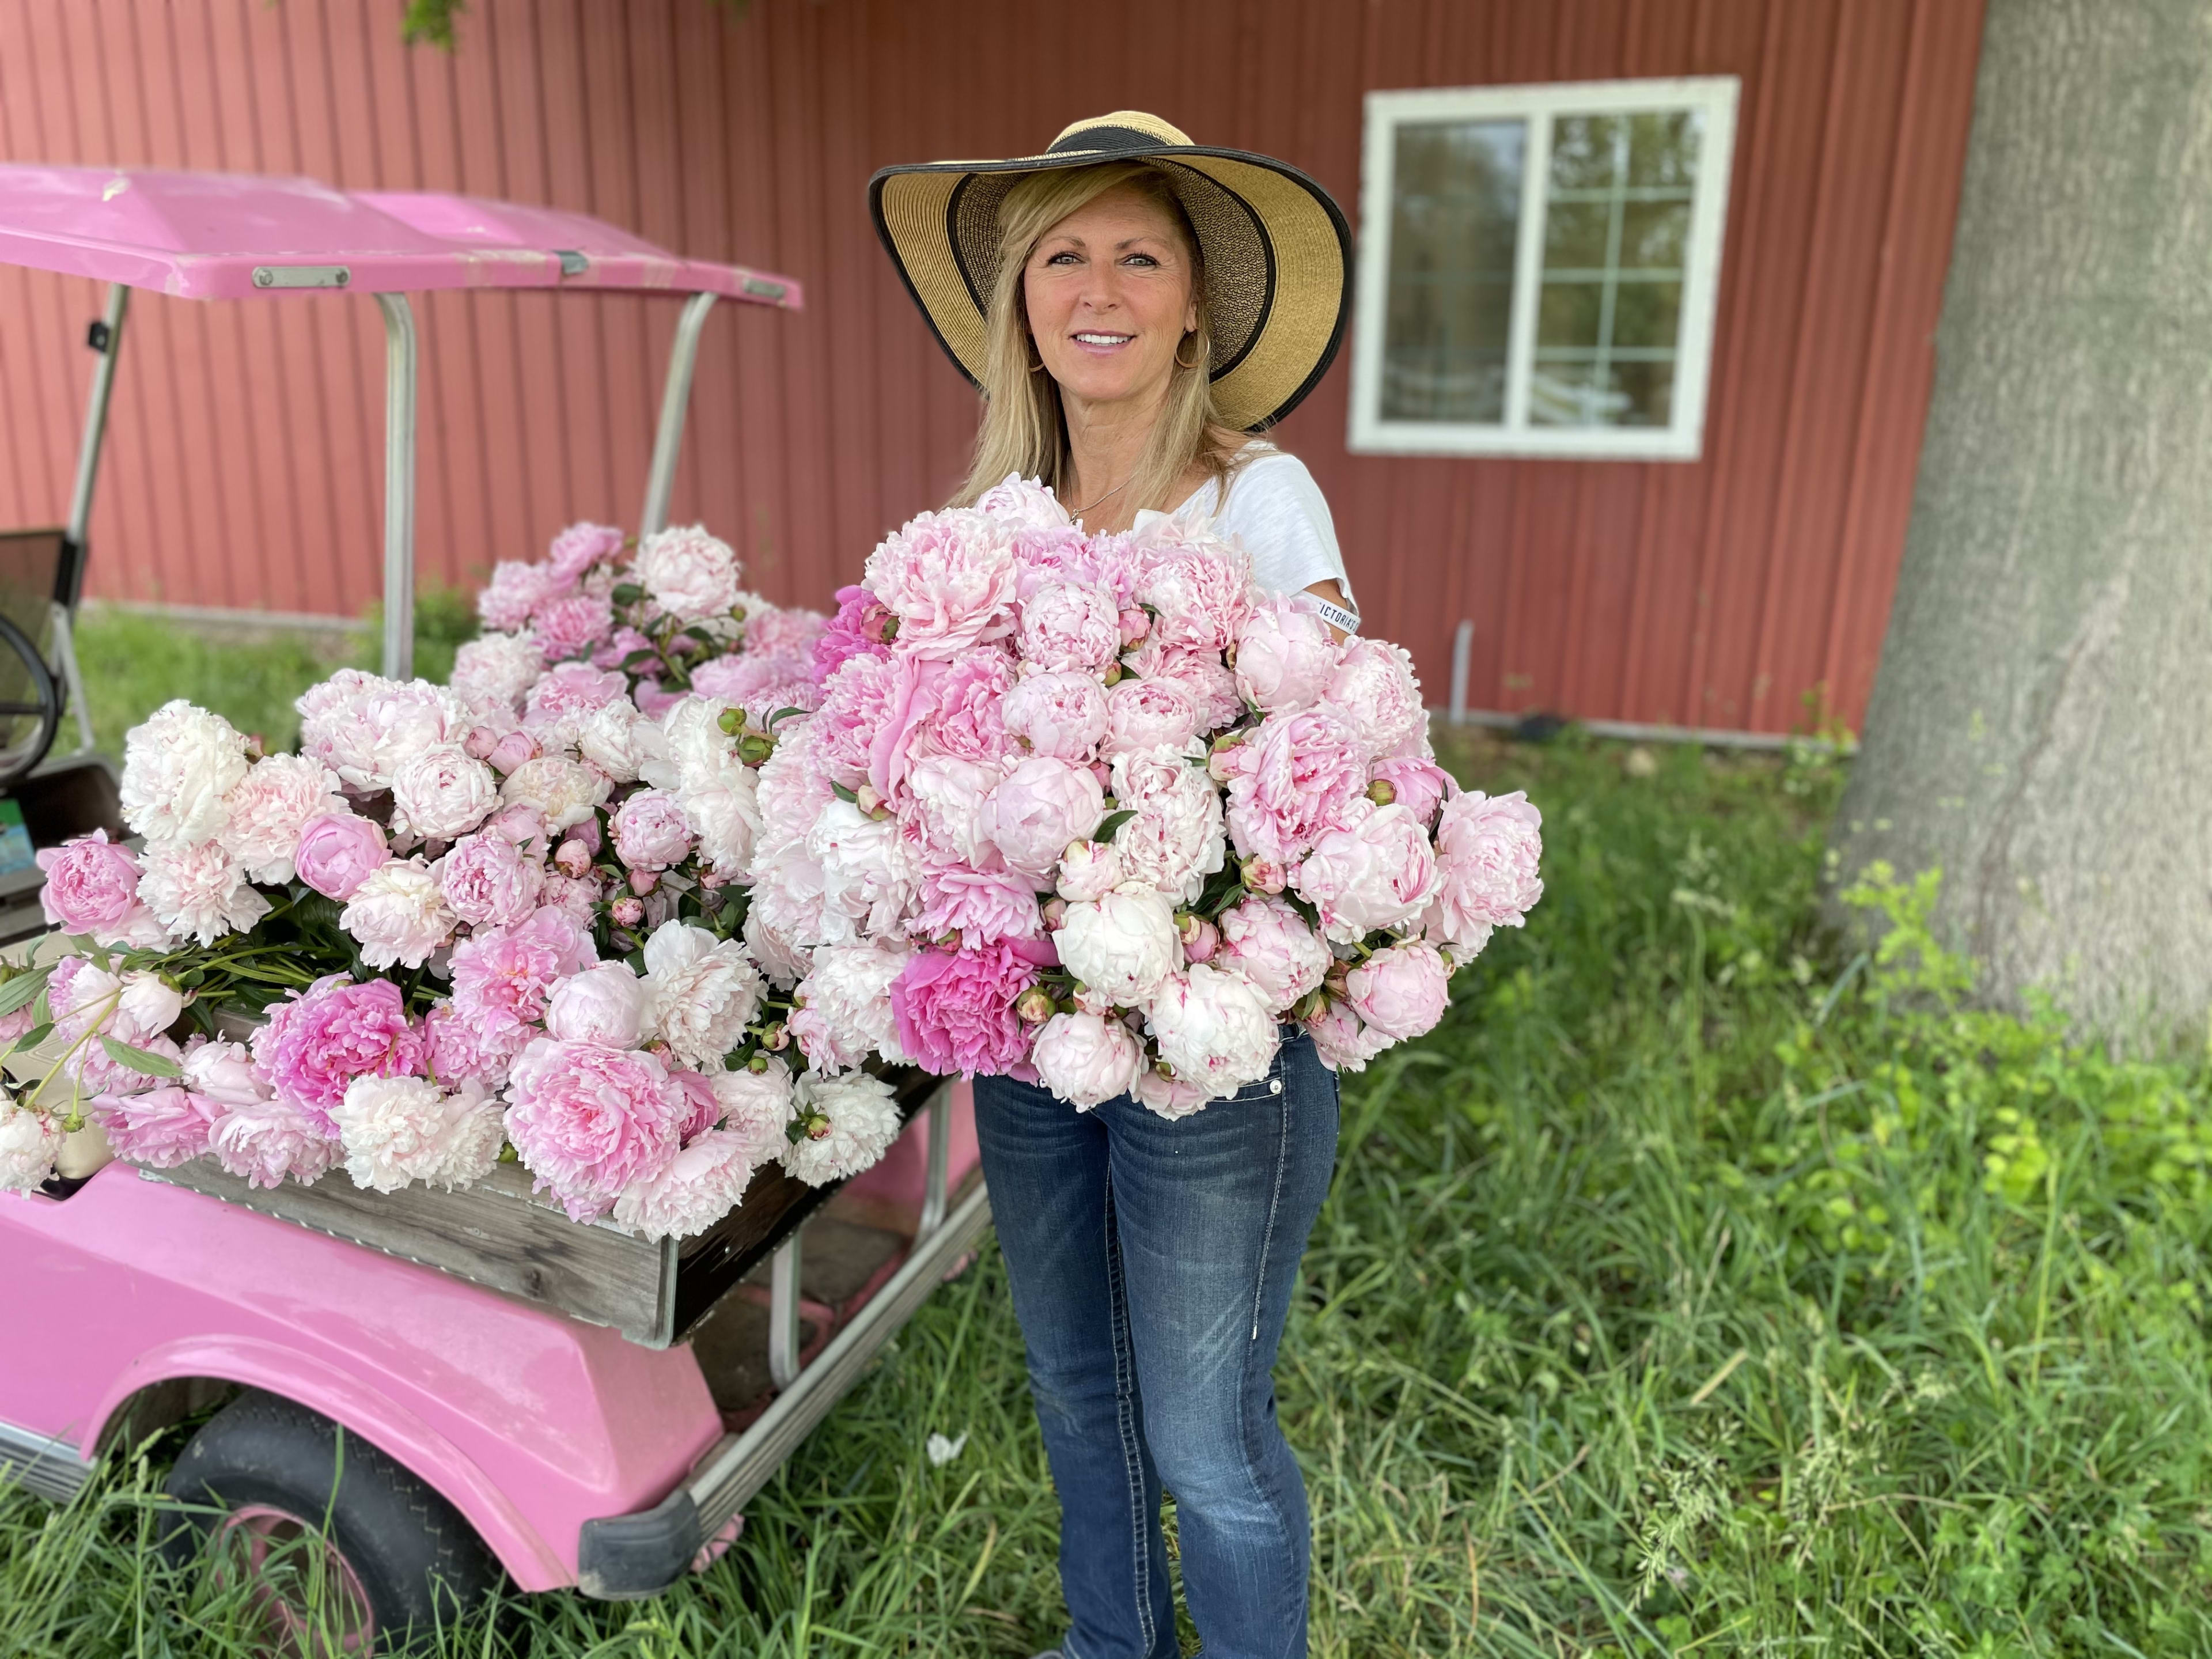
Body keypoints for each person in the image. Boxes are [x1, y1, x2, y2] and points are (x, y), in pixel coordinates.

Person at [870, 112, 1357, 1659]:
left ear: (1197, 304)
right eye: (1063, 256)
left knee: (1206, 1436)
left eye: (1140, 257)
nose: (1100, 289)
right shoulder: (984, 532)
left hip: (1212, 1045)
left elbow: (1338, 760)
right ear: (1020, 304)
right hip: (1034, 1040)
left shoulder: (1258, 500)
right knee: (1080, 1391)